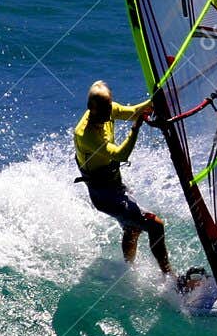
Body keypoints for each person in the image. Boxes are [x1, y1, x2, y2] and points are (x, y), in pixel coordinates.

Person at [73, 79, 173, 272]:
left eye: (108, 108)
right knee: (155, 226)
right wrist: (135, 129)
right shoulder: (85, 134)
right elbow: (120, 154)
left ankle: (128, 271)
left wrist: (157, 98)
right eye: (101, 111)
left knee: (132, 228)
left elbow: (136, 111)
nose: (106, 114)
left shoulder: (108, 108)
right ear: (90, 108)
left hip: (115, 186)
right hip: (104, 195)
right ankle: (170, 278)